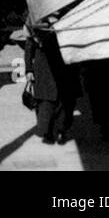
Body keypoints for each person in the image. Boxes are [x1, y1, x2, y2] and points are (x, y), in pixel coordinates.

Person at [25, 13, 78, 145]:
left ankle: (58, 131)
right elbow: (30, 44)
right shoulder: (35, 15)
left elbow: (29, 44)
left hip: (61, 64)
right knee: (48, 101)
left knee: (61, 100)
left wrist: (29, 69)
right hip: (47, 65)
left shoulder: (37, 14)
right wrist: (29, 69)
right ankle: (51, 131)